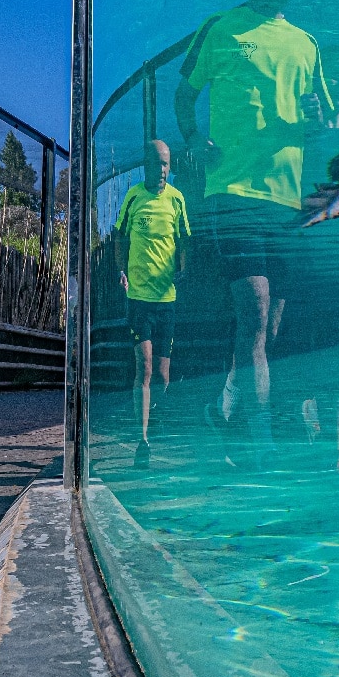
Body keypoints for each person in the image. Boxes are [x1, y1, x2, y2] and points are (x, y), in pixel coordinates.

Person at [172, 0, 334, 462]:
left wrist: (317, 119)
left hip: (286, 202)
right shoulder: (220, 28)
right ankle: (257, 439)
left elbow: (322, 121)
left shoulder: (307, 44)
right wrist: (193, 139)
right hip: (233, 194)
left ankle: (225, 405)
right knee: (256, 312)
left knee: (272, 324)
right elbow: (183, 95)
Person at [113, 139, 189, 469]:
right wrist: (121, 270)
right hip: (139, 299)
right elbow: (119, 237)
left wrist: (183, 267)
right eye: (156, 163)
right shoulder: (133, 197)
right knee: (143, 367)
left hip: (166, 299)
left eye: (165, 163)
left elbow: (185, 239)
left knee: (162, 376)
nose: (161, 169)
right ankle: (142, 440)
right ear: (146, 164)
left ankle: (151, 412)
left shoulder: (177, 199)